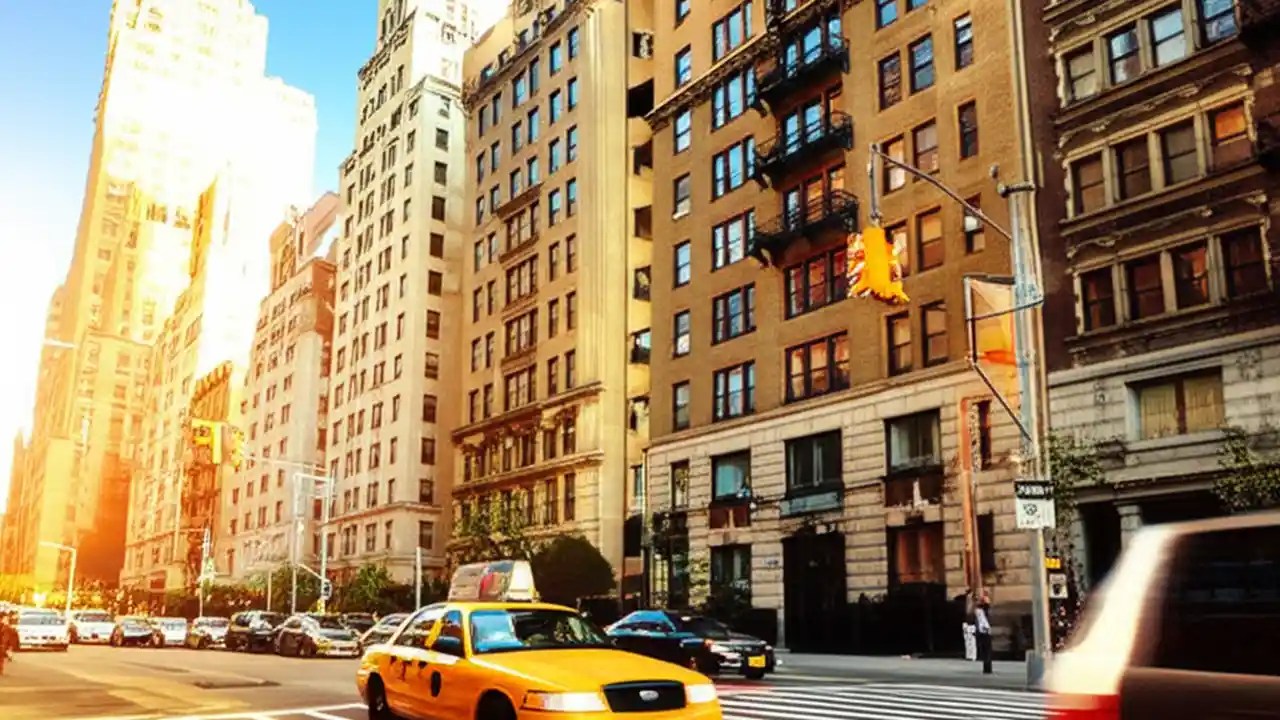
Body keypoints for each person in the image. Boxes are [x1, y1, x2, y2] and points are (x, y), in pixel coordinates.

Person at [975, 589, 993, 675]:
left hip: (984, 631)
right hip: (985, 631)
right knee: (986, 650)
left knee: (986, 651)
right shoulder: (982, 611)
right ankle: (987, 668)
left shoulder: (980, 610)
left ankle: (987, 668)